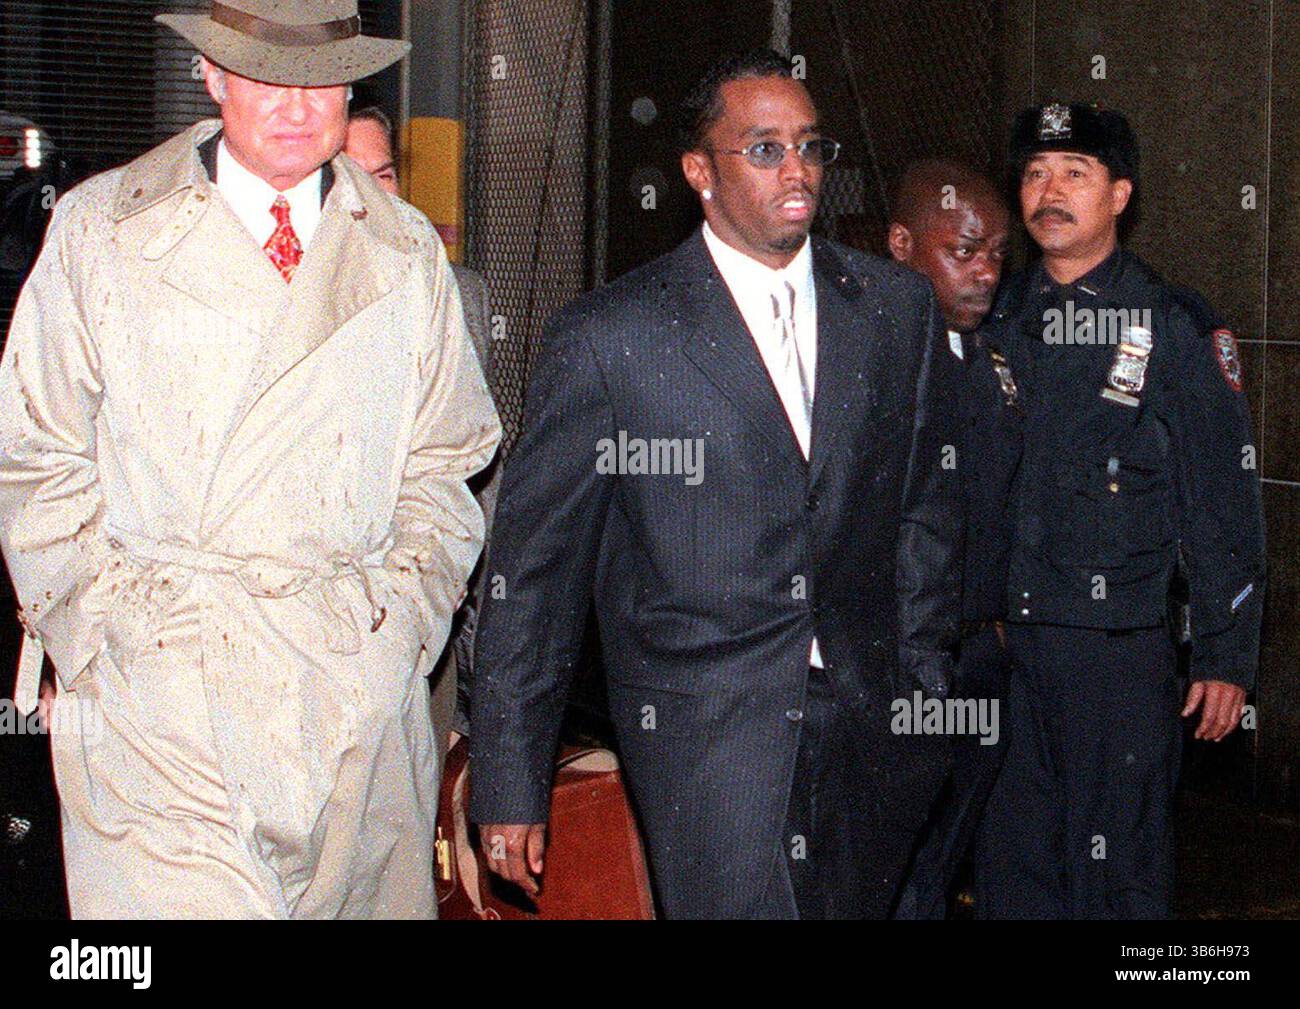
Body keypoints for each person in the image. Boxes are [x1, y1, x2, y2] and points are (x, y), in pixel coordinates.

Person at [0, 0, 500, 918]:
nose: (297, 103)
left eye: (320, 76)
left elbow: (448, 460)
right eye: (264, 72)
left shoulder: (402, 252)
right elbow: (33, 455)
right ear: (212, 75)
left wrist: (395, 627)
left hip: (352, 703)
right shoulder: (102, 232)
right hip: (165, 708)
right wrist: (109, 637)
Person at [468, 48, 964, 919]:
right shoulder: (611, 337)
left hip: (869, 728)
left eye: (810, 147)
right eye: (764, 149)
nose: (797, 170)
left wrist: (920, 683)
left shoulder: (894, 310)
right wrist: (511, 776)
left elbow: (925, 511)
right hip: (706, 740)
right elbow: (534, 576)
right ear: (699, 171)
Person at [976, 102, 1266, 919]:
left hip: (1116, 656)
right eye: (1035, 173)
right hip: (1008, 650)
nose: (1050, 191)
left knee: (1118, 879)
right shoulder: (997, 318)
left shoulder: (1171, 324)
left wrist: (1225, 652)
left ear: (1120, 194)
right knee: (1013, 870)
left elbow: (1223, 497)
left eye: (1075, 173)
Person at [344, 107, 500, 750]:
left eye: (383, 175)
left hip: (413, 625)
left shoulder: (455, 296)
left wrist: (479, 663)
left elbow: (475, 478)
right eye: (349, 176)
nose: (370, 196)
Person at [886, 160, 1019, 919]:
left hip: (983, 656)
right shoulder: (867, 359)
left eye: (997, 253)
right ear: (903, 244)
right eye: (963, 251)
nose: (984, 272)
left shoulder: (994, 359)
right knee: (896, 864)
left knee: (941, 863)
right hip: (907, 658)